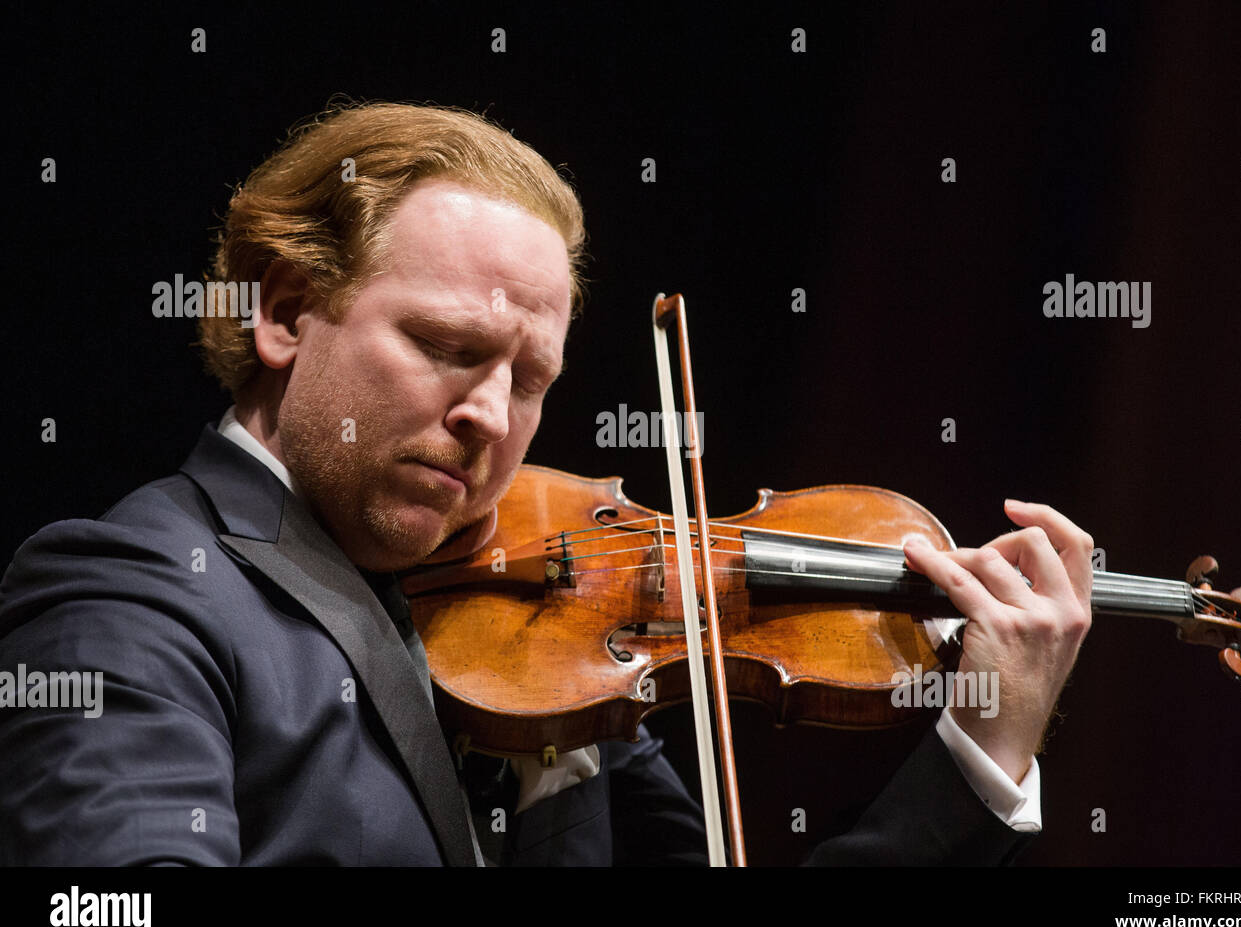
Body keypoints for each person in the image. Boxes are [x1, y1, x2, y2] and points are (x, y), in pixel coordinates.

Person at [0, 102, 1093, 865]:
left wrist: (985, 745)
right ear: (284, 312)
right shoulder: (130, 596)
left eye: (530, 378)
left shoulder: (547, 655)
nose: (489, 416)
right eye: (443, 345)